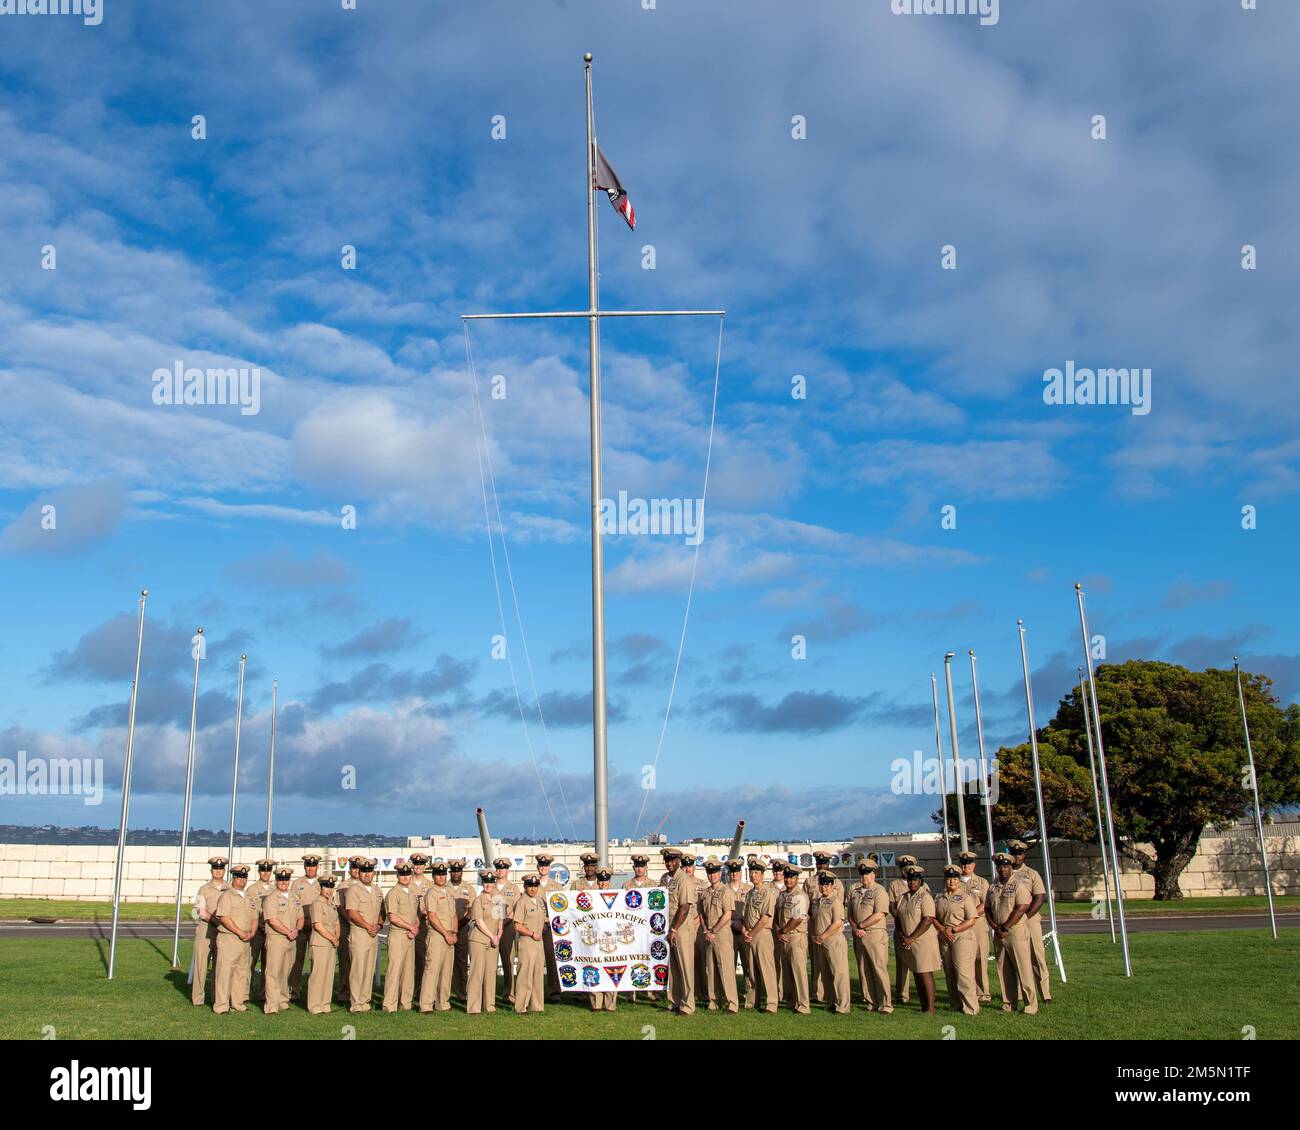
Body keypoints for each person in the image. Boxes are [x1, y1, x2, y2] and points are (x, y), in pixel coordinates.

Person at [988, 852, 1038, 1015]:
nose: (1002, 869)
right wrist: (995, 927)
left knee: (1023, 969)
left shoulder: (1019, 885)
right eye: (999, 866)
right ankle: (1009, 1003)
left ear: (1011, 867)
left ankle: (1030, 1005)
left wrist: (1005, 927)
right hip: (998, 933)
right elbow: (987, 909)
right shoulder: (992, 886)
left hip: (1015, 932)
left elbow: (1021, 908)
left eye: (1005, 866)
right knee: (1004, 970)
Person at [1008, 839, 1053, 1004]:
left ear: (1024, 855)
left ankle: (1045, 993)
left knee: (1036, 956)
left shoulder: (1031, 874)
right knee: (1015, 958)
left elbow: (1039, 897)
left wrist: (1025, 916)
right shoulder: (1004, 874)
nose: (1016, 856)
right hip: (1011, 923)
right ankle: (1020, 994)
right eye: (1013, 853)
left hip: (1029, 920)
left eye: (1019, 853)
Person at [934, 864, 980, 1015]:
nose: (951, 881)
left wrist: (953, 929)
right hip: (944, 936)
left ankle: (970, 1007)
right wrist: (942, 929)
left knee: (963, 972)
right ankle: (955, 1004)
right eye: (948, 878)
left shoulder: (966, 897)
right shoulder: (939, 897)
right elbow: (933, 917)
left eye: (954, 878)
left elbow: (972, 919)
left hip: (962, 936)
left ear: (959, 880)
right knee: (949, 971)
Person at [847, 859, 891, 1013]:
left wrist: (861, 926)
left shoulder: (879, 891)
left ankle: (885, 1004)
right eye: (862, 873)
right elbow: (850, 914)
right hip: (859, 935)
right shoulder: (855, 892)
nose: (864, 876)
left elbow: (880, 914)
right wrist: (855, 927)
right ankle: (871, 1001)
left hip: (874, 934)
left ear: (874, 875)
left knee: (878, 969)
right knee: (864, 969)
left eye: (867, 873)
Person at [212, 864, 257, 1014]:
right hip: (229, 939)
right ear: (233, 878)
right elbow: (224, 917)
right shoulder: (227, 895)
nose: (242, 880)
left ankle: (237, 1003)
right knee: (225, 973)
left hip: (246, 940)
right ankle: (221, 1006)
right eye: (239, 877)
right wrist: (239, 932)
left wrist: (251, 932)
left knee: (241, 973)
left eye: (244, 877)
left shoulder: (250, 897)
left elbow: (255, 917)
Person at [895, 865, 940, 1014]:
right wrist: (903, 935)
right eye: (909, 879)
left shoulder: (925, 896)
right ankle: (923, 1005)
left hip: (922, 940)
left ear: (920, 880)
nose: (912, 882)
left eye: (915, 880)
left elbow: (928, 919)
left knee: (925, 972)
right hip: (908, 940)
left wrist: (911, 938)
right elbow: (898, 917)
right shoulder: (903, 897)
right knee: (916, 972)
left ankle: (930, 1007)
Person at [262, 865, 304, 1014]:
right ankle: (271, 1005)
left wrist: (297, 930)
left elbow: (300, 917)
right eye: (281, 879)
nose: (284, 882)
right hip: (277, 939)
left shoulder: (295, 897)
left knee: (286, 971)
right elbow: (272, 920)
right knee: (273, 972)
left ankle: (283, 1000)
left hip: (291, 939)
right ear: (276, 880)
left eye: (286, 879)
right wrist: (288, 932)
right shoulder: (271, 899)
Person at [344, 857, 383, 1013]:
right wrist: (368, 926)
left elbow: (382, 913)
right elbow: (352, 913)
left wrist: (378, 925)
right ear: (358, 872)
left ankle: (365, 1001)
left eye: (370, 871)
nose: (367, 874)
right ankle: (356, 1003)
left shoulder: (377, 890)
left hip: (373, 935)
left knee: (368, 970)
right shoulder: (353, 890)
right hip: (359, 933)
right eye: (364, 871)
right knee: (358, 970)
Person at [418, 861, 458, 1013]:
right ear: (433, 876)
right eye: (438, 874)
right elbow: (432, 917)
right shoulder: (431, 893)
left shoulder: (448, 892)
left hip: (449, 935)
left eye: (443, 874)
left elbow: (454, 914)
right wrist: (446, 933)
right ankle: (426, 1004)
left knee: (446, 972)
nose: (441, 877)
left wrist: (454, 932)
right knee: (432, 970)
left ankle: (443, 1003)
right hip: (437, 935)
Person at [700, 857, 738, 1013]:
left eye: (715, 872)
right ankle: (713, 1001)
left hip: (721, 933)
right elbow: (701, 913)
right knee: (711, 969)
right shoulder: (705, 892)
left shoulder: (726, 891)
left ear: (720, 873)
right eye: (709, 872)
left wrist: (713, 931)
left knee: (725, 968)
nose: (712, 876)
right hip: (709, 933)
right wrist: (705, 930)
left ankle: (732, 1003)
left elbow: (727, 915)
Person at [382, 859, 419, 1012]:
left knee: (408, 972)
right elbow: (393, 917)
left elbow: (415, 915)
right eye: (402, 874)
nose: (405, 877)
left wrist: (415, 927)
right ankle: (389, 1004)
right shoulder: (393, 893)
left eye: (407, 873)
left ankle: (406, 1003)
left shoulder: (412, 892)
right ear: (397, 875)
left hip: (411, 935)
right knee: (394, 970)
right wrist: (410, 927)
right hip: (398, 934)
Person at [190, 855, 228, 1006]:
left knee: (220, 966)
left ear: (224, 870)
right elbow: (199, 910)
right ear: (211, 870)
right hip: (206, 930)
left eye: (220, 868)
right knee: (201, 965)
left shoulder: (230, 888)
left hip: (224, 932)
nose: (218, 871)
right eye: (215, 868)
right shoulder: (204, 889)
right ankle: (198, 998)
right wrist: (215, 921)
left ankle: (216, 999)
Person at [740, 858, 777, 1012]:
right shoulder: (749, 894)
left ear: (762, 875)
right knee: (751, 971)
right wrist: (744, 930)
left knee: (766, 970)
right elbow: (744, 916)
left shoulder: (767, 893)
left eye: (757, 872)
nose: (754, 875)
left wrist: (751, 933)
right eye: (752, 872)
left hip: (761, 934)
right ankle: (752, 1001)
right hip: (749, 933)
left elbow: (765, 918)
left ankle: (771, 1004)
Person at [811, 871, 850, 1014]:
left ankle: (843, 1005)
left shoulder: (835, 901)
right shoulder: (817, 901)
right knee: (826, 974)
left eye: (827, 884)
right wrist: (817, 936)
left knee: (839, 974)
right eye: (821, 884)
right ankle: (831, 1002)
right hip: (820, 942)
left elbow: (838, 922)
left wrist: (823, 935)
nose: (823, 887)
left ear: (832, 886)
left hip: (833, 941)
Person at [774, 864, 809, 1014]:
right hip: (783, 937)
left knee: (799, 972)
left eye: (792, 877)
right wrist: (778, 931)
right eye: (787, 877)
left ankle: (803, 1005)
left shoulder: (799, 895)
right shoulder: (782, 895)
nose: (788, 880)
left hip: (795, 936)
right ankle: (791, 1001)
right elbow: (776, 916)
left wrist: (783, 930)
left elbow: (798, 918)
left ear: (797, 878)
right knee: (787, 972)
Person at [957, 850, 992, 1003]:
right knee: (963, 960)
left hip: (977, 923)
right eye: (963, 864)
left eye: (969, 864)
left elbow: (986, 904)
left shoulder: (982, 882)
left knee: (980, 958)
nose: (966, 866)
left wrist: (970, 915)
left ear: (974, 865)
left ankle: (983, 993)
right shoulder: (954, 881)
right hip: (959, 925)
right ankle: (967, 991)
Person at [623, 854, 658, 1002]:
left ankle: (650, 990)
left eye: (642, 866)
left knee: (649, 959)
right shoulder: (626, 885)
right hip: (633, 929)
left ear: (646, 867)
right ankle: (632, 992)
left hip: (648, 929)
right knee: (632, 959)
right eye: (637, 866)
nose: (639, 868)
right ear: (633, 867)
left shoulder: (653, 884)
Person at [667, 853, 699, 1014]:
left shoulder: (684, 879)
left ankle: (688, 1005)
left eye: (672, 861)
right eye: (667, 861)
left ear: (678, 861)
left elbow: (685, 906)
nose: (669, 863)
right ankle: (674, 1001)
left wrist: (674, 929)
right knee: (673, 969)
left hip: (681, 929)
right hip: (668, 928)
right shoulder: (666, 879)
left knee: (685, 967)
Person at [466, 870, 501, 1014]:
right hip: (478, 940)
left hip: (493, 940)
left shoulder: (499, 899)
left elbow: (501, 920)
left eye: (491, 882)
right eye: (486, 882)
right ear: (483, 883)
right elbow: (479, 922)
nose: (488, 885)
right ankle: (473, 1007)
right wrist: (493, 936)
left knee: (491, 972)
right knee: (477, 973)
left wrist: (498, 935)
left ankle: (489, 1006)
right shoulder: (478, 900)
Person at [288, 854, 322, 1000]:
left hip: (317, 927)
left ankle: (316, 993)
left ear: (317, 867)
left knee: (317, 961)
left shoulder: (323, 883)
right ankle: (293, 991)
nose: (311, 868)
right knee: (296, 960)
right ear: (304, 867)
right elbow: (294, 905)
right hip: (301, 926)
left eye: (313, 865)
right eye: (308, 865)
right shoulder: (296, 884)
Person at [511, 875, 546, 1014]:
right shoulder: (521, 902)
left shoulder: (539, 901)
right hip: (527, 941)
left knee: (538, 975)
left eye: (535, 886)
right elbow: (517, 925)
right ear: (525, 886)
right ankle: (521, 1006)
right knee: (525, 975)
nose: (533, 889)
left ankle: (536, 1006)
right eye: (530, 886)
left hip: (539, 942)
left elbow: (543, 918)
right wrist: (531, 933)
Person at [888, 854, 920, 1005]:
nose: (905, 870)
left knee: (920, 962)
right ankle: (902, 995)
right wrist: (900, 914)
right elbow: (892, 906)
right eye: (902, 867)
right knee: (902, 964)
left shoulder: (922, 884)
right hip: (901, 928)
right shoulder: (894, 885)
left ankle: (921, 993)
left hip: (917, 931)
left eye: (908, 867)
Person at [306, 875, 340, 1014]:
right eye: (326, 887)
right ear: (320, 888)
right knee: (318, 975)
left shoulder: (331, 905)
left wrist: (337, 937)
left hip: (331, 944)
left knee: (328, 975)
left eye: (331, 887)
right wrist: (333, 938)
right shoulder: (316, 904)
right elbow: (318, 925)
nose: (329, 890)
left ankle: (325, 1004)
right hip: (320, 943)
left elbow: (336, 923)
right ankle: (314, 1005)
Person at [588, 868, 621, 1012]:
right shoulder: (591, 898)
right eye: (600, 881)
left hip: (612, 939)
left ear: (609, 881)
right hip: (596, 939)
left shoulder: (618, 897)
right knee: (595, 968)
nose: (603, 884)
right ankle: (596, 1002)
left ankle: (610, 1003)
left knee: (612, 970)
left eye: (605, 881)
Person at [535, 853, 565, 1000]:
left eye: (546, 865)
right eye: (541, 865)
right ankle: (536, 992)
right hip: (535, 927)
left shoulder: (557, 886)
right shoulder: (532, 884)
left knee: (552, 961)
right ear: (537, 867)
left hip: (552, 926)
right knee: (535, 960)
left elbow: (562, 908)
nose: (543, 868)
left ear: (550, 867)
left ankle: (554, 992)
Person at [245, 858, 277, 995]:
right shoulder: (252, 889)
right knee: (249, 963)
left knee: (268, 964)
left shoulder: (275, 889)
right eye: (263, 870)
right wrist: (260, 925)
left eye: (268, 870)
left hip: (271, 931)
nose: (266, 873)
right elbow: (251, 910)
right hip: (257, 930)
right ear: (259, 871)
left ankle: (264, 993)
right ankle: (245, 993)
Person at [447, 859, 475, 1000]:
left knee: (461, 962)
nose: (456, 873)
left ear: (462, 872)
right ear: (450, 872)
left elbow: (471, 912)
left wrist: (458, 927)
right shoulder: (444, 887)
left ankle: (461, 993)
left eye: (458, 871)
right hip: (445, 930)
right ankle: (443, 993)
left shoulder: (469, 889)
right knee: (444, 962)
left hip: (462, 929)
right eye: (453, 871)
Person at [492, 857, 520, 1004]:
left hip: (508, 927)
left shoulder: (513, 888)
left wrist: (503, 925)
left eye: (502, 868)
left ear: (507, 870)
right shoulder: (490, 885)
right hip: (491, 927)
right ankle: (489, 993)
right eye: (497, 868)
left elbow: (515, 909)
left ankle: (509, 993)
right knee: (490, 962)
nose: (499, 871)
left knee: (508, 961)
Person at [334, 856, 361, 1004]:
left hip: (362, 929)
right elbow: (339, 906)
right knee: (345, 961)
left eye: (358, 867)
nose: (356, 870)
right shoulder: (343, 886)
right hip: (347, 926)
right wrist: (350, 919)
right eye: (353, 867)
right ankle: (344, 993)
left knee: (360, 962)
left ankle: (359, 993)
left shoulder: (367, 886)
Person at [408, 853, 431, 1000]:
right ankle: (406, 992)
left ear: (425, 866)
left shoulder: (430, 885)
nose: (418, 867)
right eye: (416, 864)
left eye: (421, 864)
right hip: (407, 925)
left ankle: (419, 990)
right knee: (407, 961)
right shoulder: (405, 882)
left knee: (422, 959)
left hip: (423, 926)